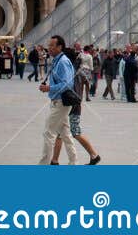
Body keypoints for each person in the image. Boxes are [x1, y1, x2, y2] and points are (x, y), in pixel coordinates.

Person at [51, 45, 100, 165]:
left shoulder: (72, 72)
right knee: (61, 133)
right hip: (73, 106)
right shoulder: (77, 71)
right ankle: (54, 160)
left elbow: (71, 90)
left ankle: (94, 155)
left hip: (71, 106)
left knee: (74, 132)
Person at [38, 35, 75, 165]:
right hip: (58, 102)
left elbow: (67, 84)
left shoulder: (63, 62)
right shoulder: (57, 60)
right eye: (49, 45)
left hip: (60, 102)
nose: (49, 48)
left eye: (52, 46)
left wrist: (49, 88)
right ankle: (73, 162)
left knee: (48, 133)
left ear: (60, 47)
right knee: (65, 134)